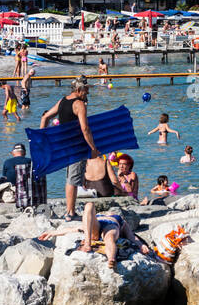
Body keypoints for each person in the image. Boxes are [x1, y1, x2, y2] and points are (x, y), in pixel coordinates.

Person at [40, 77, 99, 222]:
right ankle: (70, 213)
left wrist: (42, 137)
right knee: (73, 179)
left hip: (65, 145)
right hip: (76, 146)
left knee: (71, 177)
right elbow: (85, 128)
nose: (87, 94)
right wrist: (93, 148)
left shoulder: (62, 101)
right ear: (79, 90)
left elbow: (46, 117)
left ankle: (70, 210)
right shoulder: (79, 104)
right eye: (86, 91)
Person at [40, 203, 153, 269]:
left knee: (109, 238)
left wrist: (141, 245)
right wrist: (51, 233)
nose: (109, 212)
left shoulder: (121, 221)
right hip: (97, 226)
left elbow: (131, 237)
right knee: (89, 205)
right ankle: (88, 244)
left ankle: (111, 259)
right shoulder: (103, 217)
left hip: (112, 226)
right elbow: (72, 229)